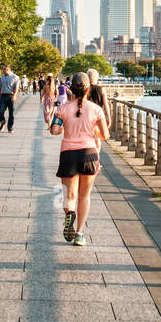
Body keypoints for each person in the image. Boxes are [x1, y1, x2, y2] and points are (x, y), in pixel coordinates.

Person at [49, 71, 108, 247]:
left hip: (68, 153)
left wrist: (63, 129)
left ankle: (69, 213)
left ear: (71, 89)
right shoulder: (96, 109)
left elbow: (54, 129)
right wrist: (93, 131)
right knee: (85, 195)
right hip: (89, 153)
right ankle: (80, 233)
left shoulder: (63, 108)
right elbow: (105, 135)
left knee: (69, 194)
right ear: (89, 88)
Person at [0, 65, 20, 132]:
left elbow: (17, 87)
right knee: (0, 111)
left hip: (11, 95)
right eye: (3, 69)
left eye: (5, 69)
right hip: (3, 96)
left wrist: (15, 95)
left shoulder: (15, 77)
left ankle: (10, 127)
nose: (4, 71)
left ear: (8, 69)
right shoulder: (2, 77)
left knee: (11, 113)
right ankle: (3, 121)